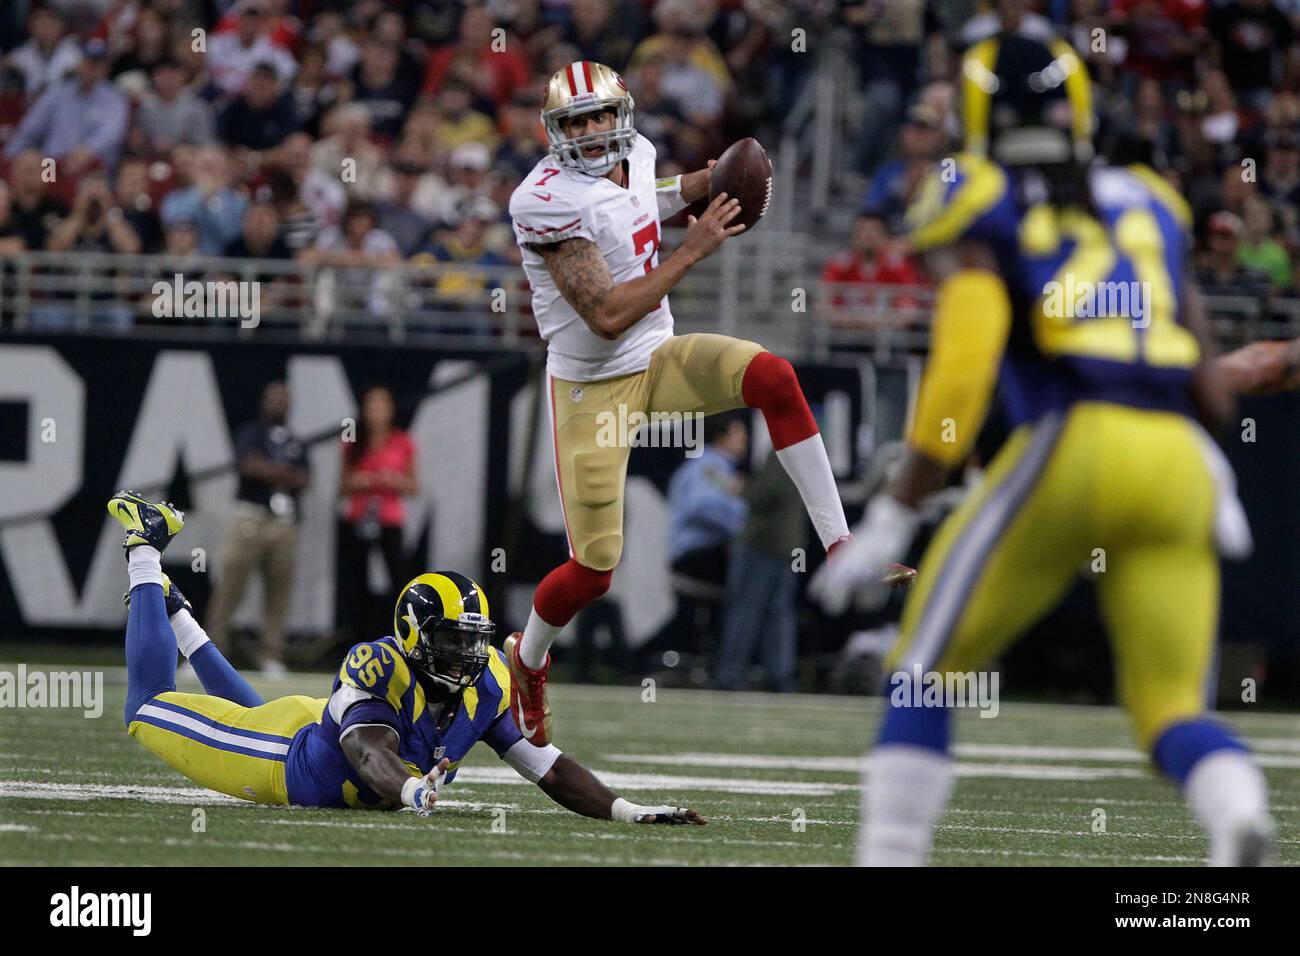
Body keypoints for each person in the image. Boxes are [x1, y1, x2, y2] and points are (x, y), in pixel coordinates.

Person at [810, 32, 1273, 867]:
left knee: (925, 669)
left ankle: (889, 854)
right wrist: (1213, 465)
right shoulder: (1149, 197)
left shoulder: (979, 193)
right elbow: (1207, 376)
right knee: (1170, 705)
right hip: (1177, 458)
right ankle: (1237, 815)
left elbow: (964, 364)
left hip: (1073, 436)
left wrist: (894, 509)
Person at [505, 60, 857, 747]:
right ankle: (528, 658)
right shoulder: (543, 200)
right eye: (577, 121)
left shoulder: (636, 155)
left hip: (658, 359)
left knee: (775, 378)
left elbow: (645, 197)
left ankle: (841, 544)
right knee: (594, 570)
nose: (593, 130)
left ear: (622, 114)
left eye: (602, 115)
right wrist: (693, 248)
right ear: (556, 131)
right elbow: (606, 314)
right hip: (592, 387)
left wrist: (708, 187)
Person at [108, 490, 703, 824]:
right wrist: (416, 792)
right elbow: (369, 755)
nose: (469, 652)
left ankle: (174, 607)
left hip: (304, 725)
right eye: (453, 638)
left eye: (474, 638)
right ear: (414, 634)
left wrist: (629, 811)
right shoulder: (379, 663)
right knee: (144, 707)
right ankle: (144, 544)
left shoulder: (487, 682)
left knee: (251, 708)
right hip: (279, 762)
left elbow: (548, 767)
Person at [204, 382, 310, 678]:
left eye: (283, 399)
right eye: (273, 398)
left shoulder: (295, 441)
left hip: (285, 522)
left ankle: (272, 654)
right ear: (264, 402)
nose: (279, 403)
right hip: (250, 517)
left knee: (279, 591)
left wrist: (269, 470)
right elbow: (248, 466)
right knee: (230, 586)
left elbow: (304, 479)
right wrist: (282, 474)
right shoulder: (251, 433)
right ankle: (209, 650)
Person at [714, 451, 805, 693]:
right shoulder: (806, 449)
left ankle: (730, 673)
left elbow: (767, 493)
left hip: (763, 543)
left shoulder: (782, 450)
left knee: (746, 609)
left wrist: (741, 488)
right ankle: (781, 677)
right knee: (778, 614)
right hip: (788, 544)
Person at [338, 385, 417, 645]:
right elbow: (343, 486)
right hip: (360, 519)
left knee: (398, 581)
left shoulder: (402, 441)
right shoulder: (353, 442)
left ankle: (400, 640)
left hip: (389, 519)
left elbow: (413, 486)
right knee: (358, 583)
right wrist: (364, 481)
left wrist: (391, 480)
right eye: (372, 405)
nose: (377, 411)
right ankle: (358, 640)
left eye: (382, 405)